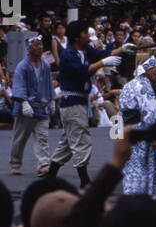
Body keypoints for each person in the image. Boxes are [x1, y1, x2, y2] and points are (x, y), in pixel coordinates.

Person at [46, 22, 123, 187]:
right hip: (72, 102)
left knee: (67, 143)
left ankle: (50, 175)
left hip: (78, 102)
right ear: (77, 36)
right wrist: (103, 63)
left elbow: (104, 53)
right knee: (82, 140)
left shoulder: (85, 49)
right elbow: (82, 71)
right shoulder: (68, 54)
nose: (88, 36)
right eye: (85, 33)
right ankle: (84, 180)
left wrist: (125, 49)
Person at [117, 55, 156, 195]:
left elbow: (119, 111)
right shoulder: (144, 86)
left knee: (131, 168)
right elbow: (151, 111)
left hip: (127, 131)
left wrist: (117, 134)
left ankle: (131, 196)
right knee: (143, 168)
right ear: (149, 70)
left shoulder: (129, 84)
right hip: (141, 133)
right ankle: (142, 198)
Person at [9, 34, 54, 177]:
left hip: (41, 106)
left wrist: (51, 100)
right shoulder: (22, 66)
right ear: (29, 49)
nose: (40, 48)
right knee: (20, 137)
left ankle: (43, 164)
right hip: (25, 107)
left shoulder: (45, 65)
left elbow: (49, 83)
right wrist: (23, 102)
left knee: (42, 137)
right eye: (37, 45)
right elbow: (19, 86)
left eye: (41, 45)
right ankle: (15, 163)